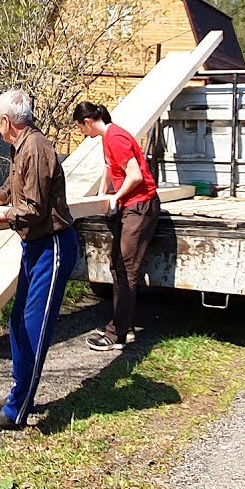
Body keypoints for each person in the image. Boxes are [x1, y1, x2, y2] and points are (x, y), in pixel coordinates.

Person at [0, 89, 79, 431]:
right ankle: (20, 394)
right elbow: (15, 183)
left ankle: (16, 411)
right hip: (35, 246)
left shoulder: (35, 149)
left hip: (53, 246)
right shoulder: (22, 147)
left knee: (33, 328)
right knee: (18, 322)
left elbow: (33, 209)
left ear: (7, 121)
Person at [72, 101, 160, 351]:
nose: (82, 133)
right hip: (129, 205)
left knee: (126, 270)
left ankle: (117, 334)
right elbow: (109, 167)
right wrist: (102, 195)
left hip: (140, 206)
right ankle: (124, 325)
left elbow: (136, 176)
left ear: (88, 122)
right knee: (117, 266)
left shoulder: (116, 137)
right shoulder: (107, 138)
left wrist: (116, 196)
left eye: (80, 128)